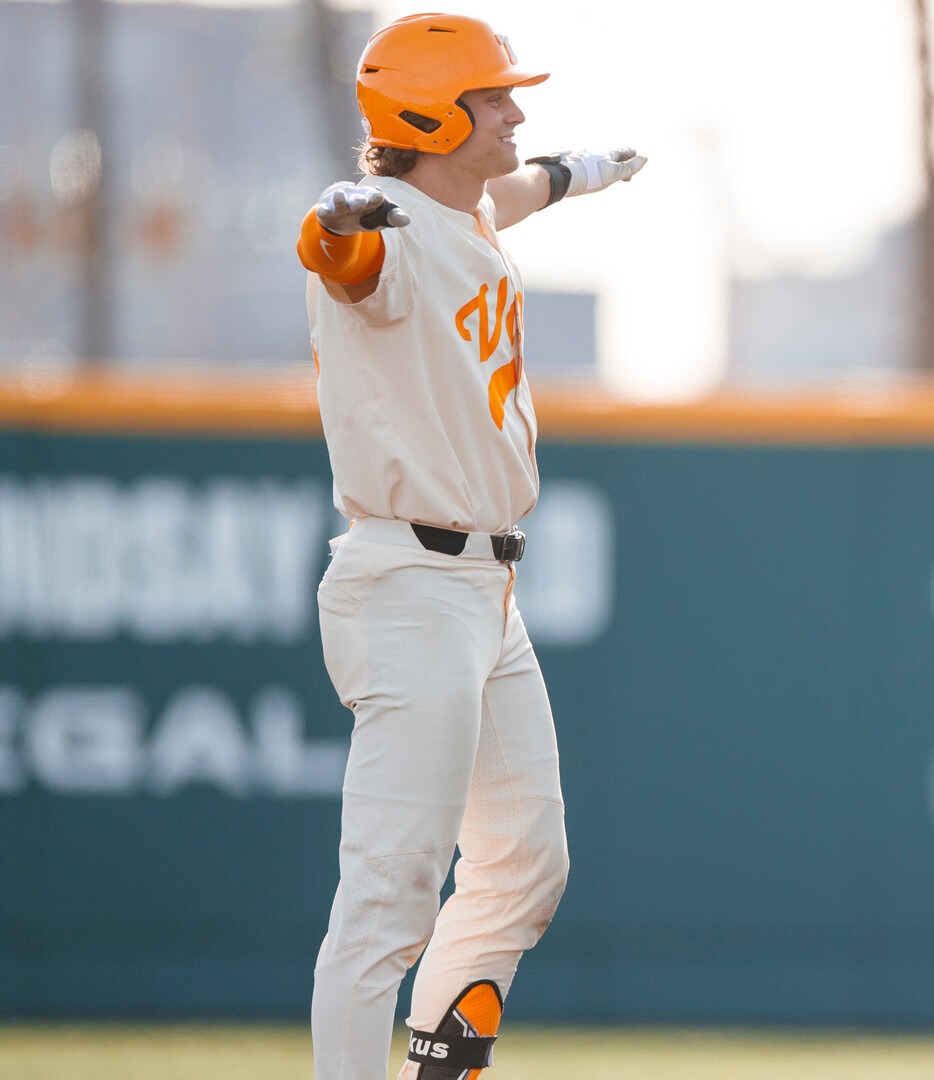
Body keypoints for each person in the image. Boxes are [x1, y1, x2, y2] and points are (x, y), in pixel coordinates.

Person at [295, 14, 643, 1080]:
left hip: (483, 589)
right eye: (494, 98)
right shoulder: (385, 227)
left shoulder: (467, 205)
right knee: (391, 892)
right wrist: (332, 226)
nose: (516, 111)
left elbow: (520, 187)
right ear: (435, 115)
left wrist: (583, 174)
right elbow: (343, 258)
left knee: (524, 863)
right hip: (408, 580)